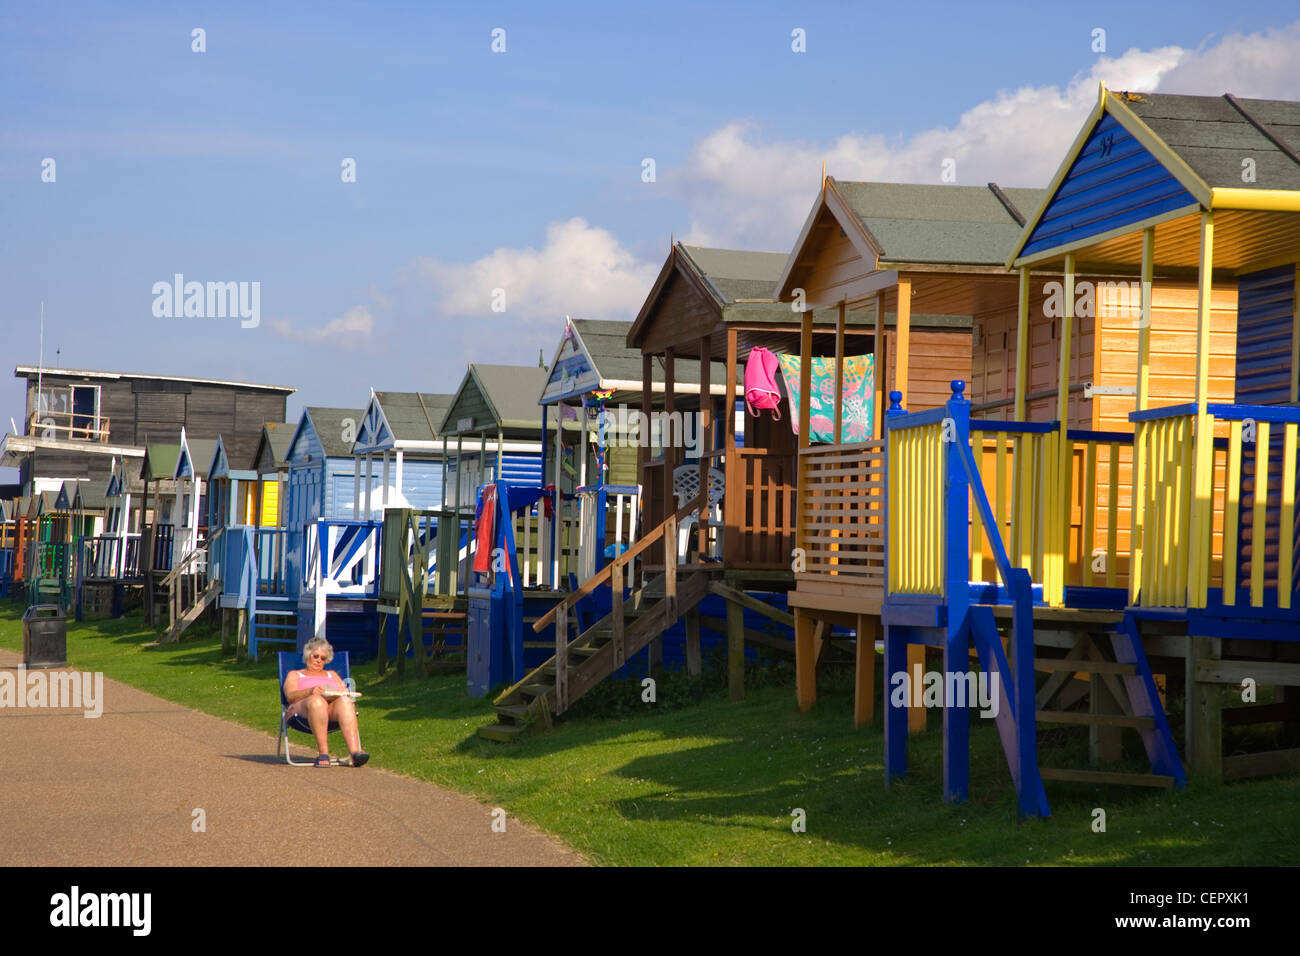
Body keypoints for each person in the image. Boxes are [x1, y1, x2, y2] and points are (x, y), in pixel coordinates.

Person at [283, 638, 368, 767]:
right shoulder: (295, 674)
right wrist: (311, 691)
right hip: (303, 710)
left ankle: (355, 753)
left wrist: (338, 694)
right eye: (316, 656)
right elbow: (290, 695)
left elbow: (343, 692)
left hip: (329, 709)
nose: (318, 660)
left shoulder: (331, 674)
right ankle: (323, 753)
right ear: (308, 655)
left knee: (345, 701)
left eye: (323, 658)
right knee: (317, 701)